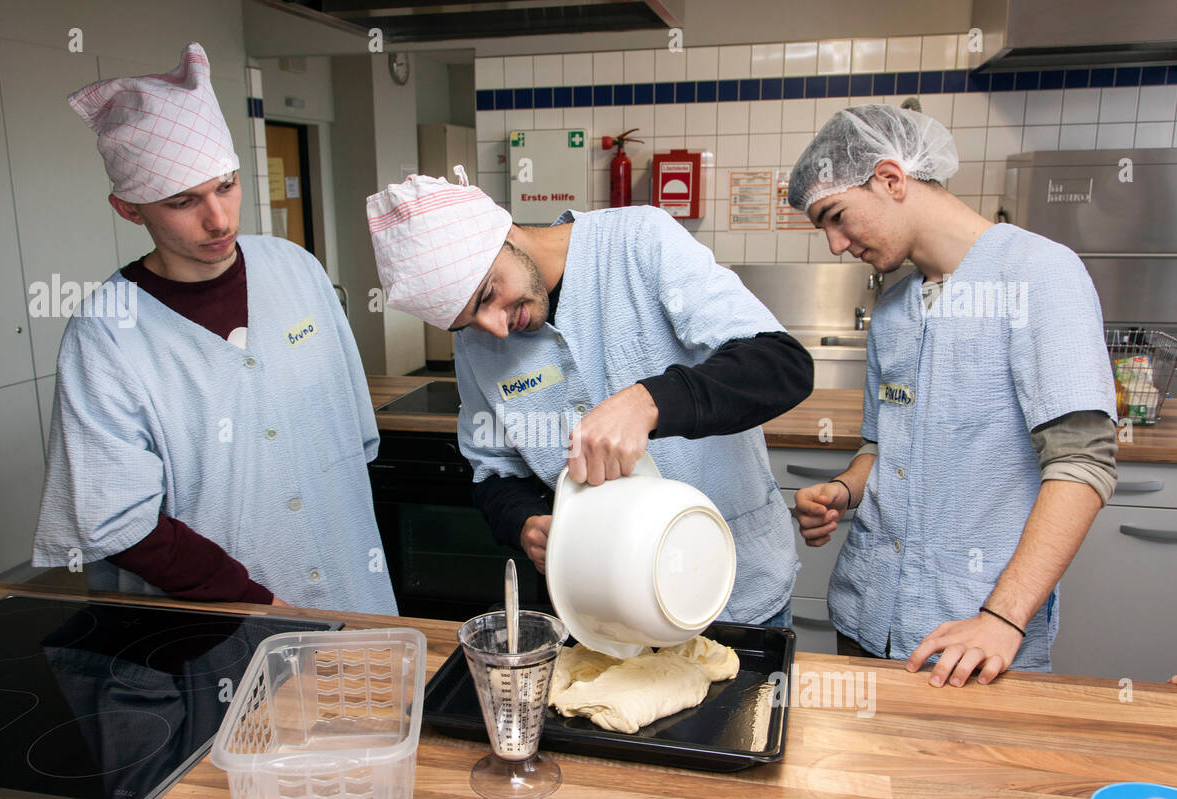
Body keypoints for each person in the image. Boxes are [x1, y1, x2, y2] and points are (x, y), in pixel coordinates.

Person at [32, 43, 396, 615]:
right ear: (130, 209)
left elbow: (350, 434)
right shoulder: (105, 334)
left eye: (226, 186)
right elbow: (121, 522)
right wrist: (259, 603)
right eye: (184, 201)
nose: (219, 219)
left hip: (351, 584)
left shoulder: (294, 268)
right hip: (217, 620)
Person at [366, 170, 813, 628]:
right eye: (467, 322)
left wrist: (648, 402)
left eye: (488, 295)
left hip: (730, 591)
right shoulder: (479, 341)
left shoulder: (638, 241)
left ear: (501, 230)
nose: (495, 328)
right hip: (605, 610)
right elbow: (494, 472)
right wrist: (525, 523)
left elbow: (781, 365)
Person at [786, 105, 1118, 686]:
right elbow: (880, 446)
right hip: (867, 618)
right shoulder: (893, 309)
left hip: (971, 638)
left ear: (891, 179)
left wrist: (1002, 617)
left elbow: (1083, 461)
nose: (836, 245)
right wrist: (843, 489)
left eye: (836, 217)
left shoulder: (1040, 274)